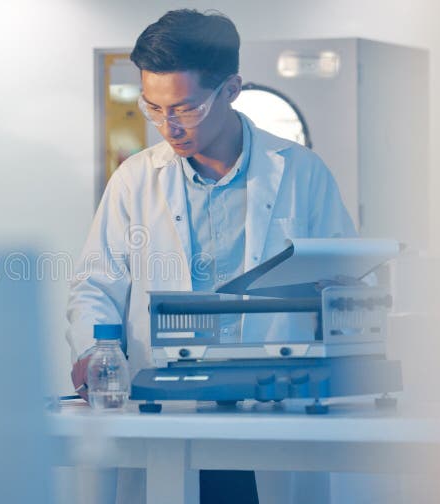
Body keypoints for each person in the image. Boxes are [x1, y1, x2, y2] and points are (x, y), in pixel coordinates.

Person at [65, 8, 357, 504]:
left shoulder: (301, 173)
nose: (168, 126)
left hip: (272, 409)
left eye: (185, 109)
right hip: (167, 408)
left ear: (231, 89)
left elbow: (345, 283)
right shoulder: (135, 180)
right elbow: (96, 284)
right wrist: (94, 354)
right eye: (153, 108)